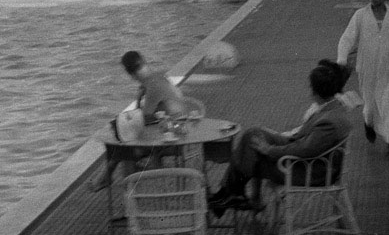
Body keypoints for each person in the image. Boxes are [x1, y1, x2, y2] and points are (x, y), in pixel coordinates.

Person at [209, 59, 352, 215]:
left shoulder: (328, 121)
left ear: (315, 91)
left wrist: (269, 149)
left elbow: (304, 150)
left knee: (249, 156)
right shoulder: (332, 108)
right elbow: (305, 144)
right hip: (309, 160)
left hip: (309, 170)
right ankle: (230, 194)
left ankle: (226, 194)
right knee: (253, 134)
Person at [89, 51, 187, 191]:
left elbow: (143, 117)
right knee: (123, 140)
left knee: (125, 146)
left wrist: (122, 120)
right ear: (144, 62)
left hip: (172, 137)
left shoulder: (152, 86)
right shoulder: (157, 78)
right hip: (174, 129)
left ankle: (128, 194)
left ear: (130, 74)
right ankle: (109, 179)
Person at [337, 0, 389, 161]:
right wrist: (342, 60)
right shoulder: (360, 16)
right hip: (367, 69)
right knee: (370, 108)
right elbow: (347, 38)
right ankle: (368, 123)